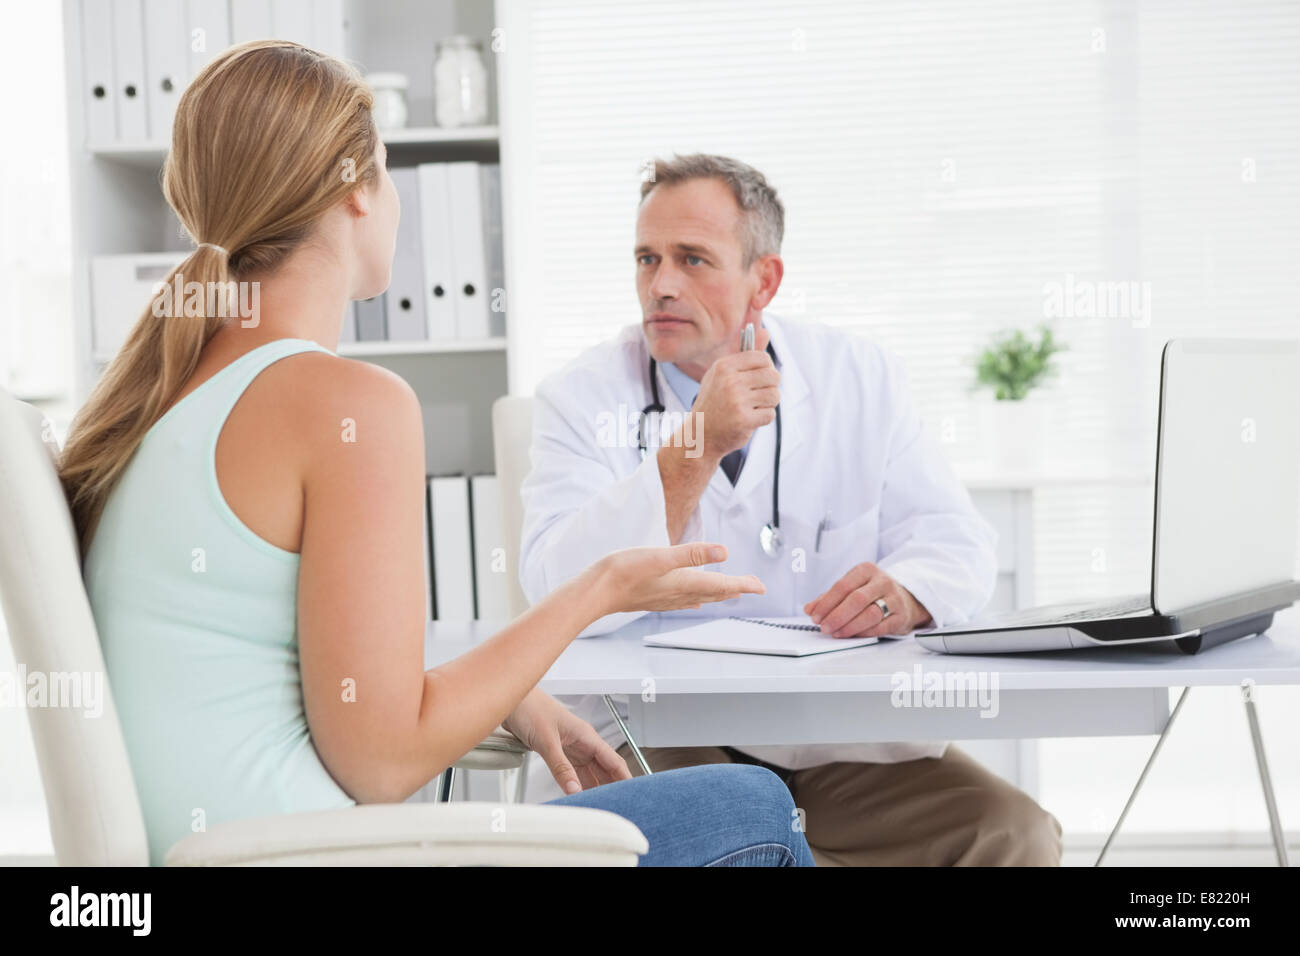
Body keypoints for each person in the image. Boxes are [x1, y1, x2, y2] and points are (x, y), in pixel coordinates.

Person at [57, 43, 814, 868]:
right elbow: (381, 760)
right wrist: (601, 588)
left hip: (247, 847)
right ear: (353, 190)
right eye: (385, 173)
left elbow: (322, 678)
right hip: (315, 855)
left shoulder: (166, 397)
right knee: (758, 809)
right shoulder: (347, 404)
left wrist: (513, 696)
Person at [519, 153, 1063, 866]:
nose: (661, 284)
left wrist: (907, 592)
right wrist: (698, 445)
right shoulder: (582, 397)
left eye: (692, 259)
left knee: (1012, 833)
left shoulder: (859, 378)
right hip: (665, 730)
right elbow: (554, 586)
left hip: (839, 738)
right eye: (647, 259)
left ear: (763, 280)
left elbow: (956, 539)